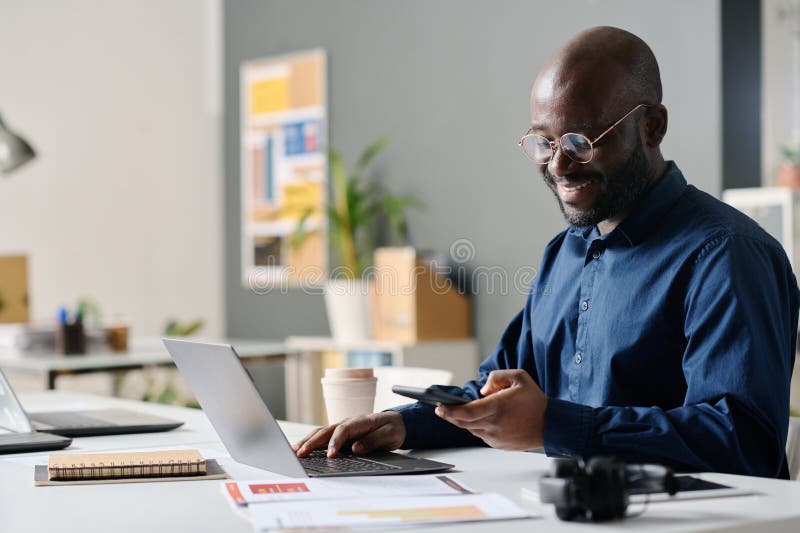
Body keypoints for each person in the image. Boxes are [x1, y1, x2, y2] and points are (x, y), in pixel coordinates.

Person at [293, 26, 800, 478]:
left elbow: (744, 441)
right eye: (544, 142)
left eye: (581, 141)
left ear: (652, 127)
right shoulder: (567, 253)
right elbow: (494, 393)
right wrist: (401, 425)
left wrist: (552, 425)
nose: (558, 165)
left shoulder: (727, 256)